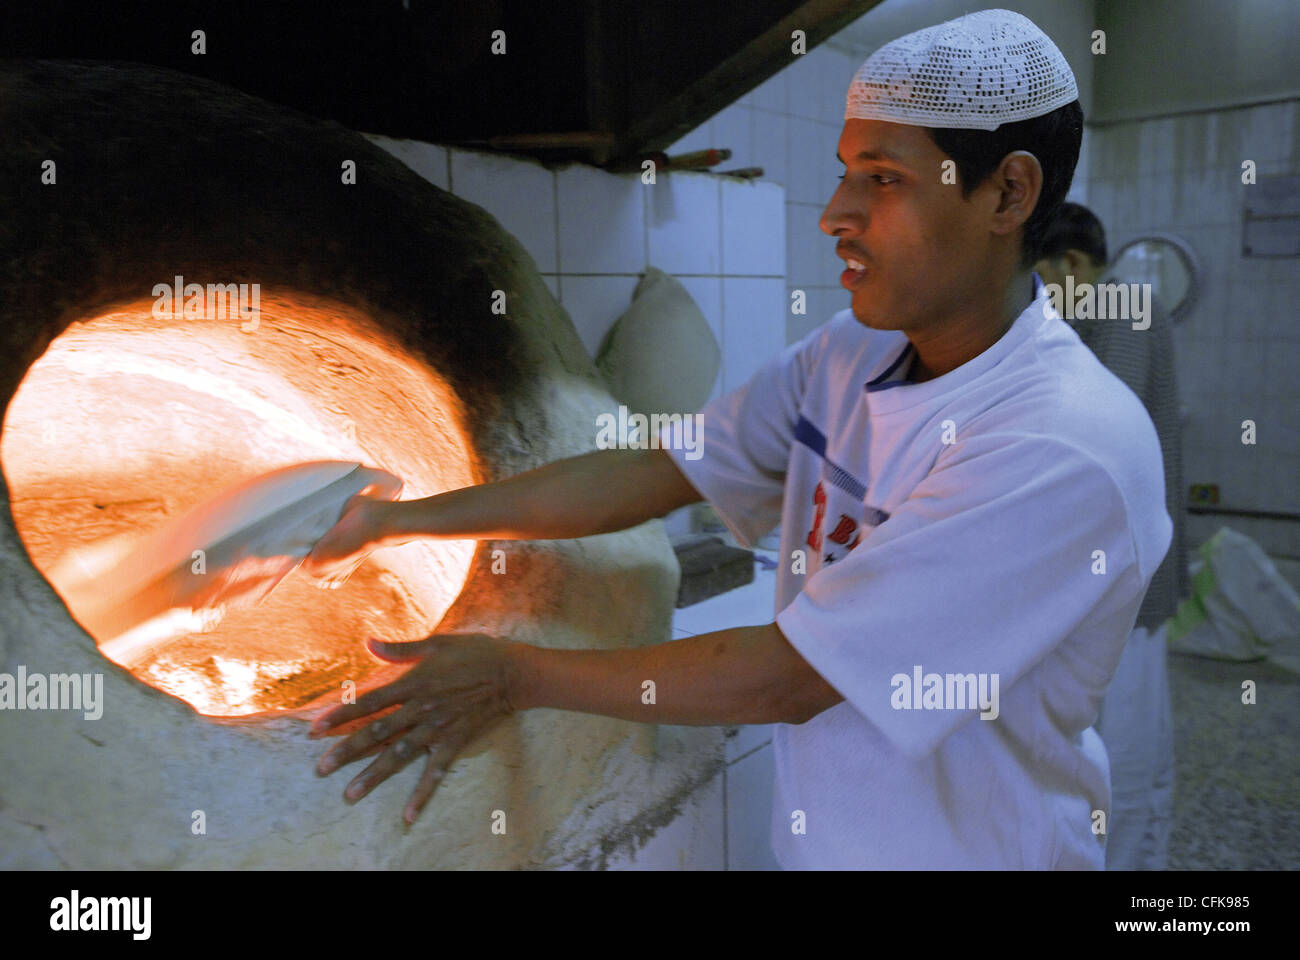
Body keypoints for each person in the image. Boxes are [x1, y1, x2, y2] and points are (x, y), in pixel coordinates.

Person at [302, 8, 1171, 869]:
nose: (835, 213)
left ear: (1008, 194)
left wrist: (514, 674)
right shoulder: (851, 354)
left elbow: (788, 677)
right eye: (844, 173)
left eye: (884, 179)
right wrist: (399, 520)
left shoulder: (1062, 443)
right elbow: (650, 472)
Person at [1035, 203, 1186, 870]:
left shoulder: (1123, 307)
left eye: (1036, 280)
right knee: (1129, 754)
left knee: (1127, 761)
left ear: (1073, 265)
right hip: (1114, 586)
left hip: (1133, 590)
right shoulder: (1097, 315)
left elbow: (1089, 448)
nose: (1033, 302)